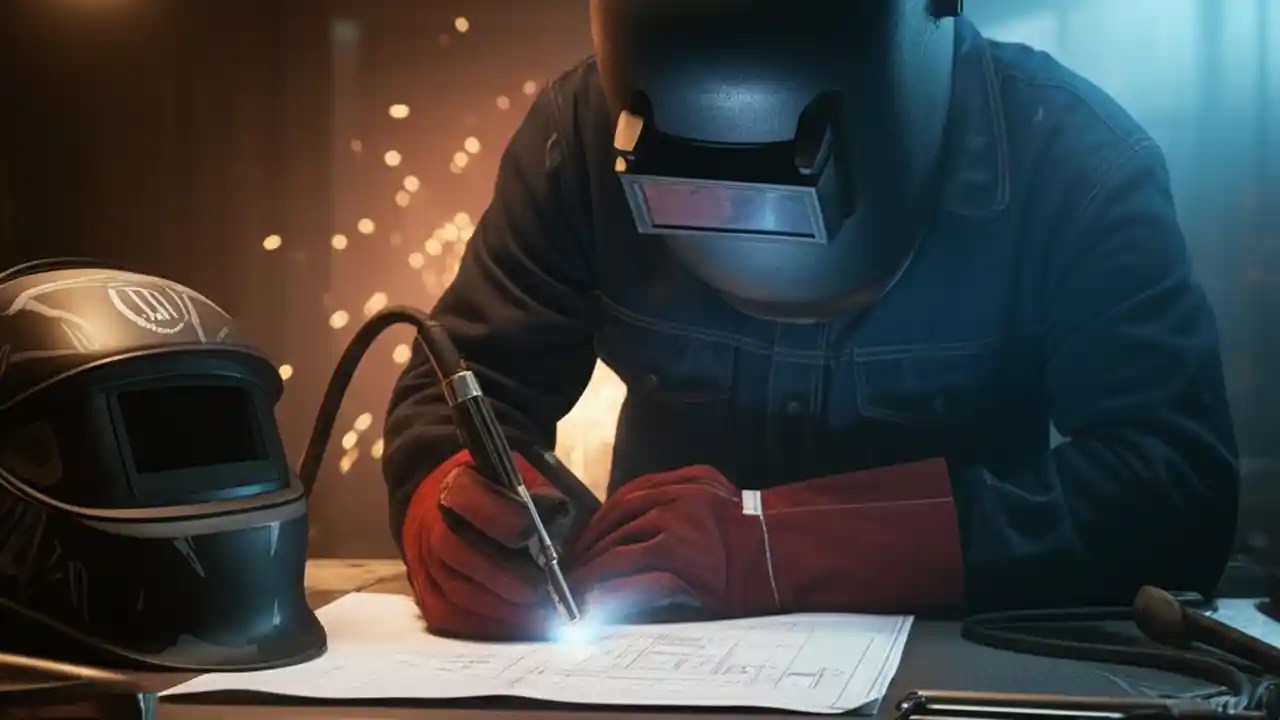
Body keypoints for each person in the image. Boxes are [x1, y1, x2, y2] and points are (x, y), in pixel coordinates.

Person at [382, 1, 1240, 641]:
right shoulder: (580, 138)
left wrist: (781, 543)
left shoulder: (1075, 161)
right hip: (658, 657)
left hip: (951, 669)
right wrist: (453, 512)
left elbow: (1174, 489)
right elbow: (461, 393)